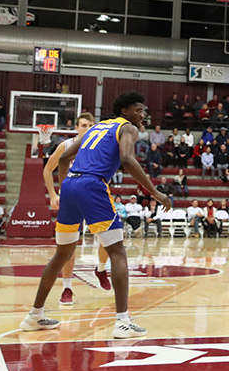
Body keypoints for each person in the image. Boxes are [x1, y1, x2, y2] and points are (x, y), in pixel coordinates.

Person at [19, 92, 171, 339]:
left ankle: (34, 315)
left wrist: (66, 188)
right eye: (138, 109)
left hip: (70, 185)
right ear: (124, 111)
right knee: (117, 252)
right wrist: (154, 192)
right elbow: (127, 159)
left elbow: (65, 158)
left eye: (143, 110)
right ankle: (123, 322)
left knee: (62, 255)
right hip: (92, 185)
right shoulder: (128, 128)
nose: (142, 114)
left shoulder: (96, 128)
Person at [41, 112, 112, 305]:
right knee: (68, 246)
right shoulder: (65, 146)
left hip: (93, 196)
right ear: (76, 128)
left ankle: (101, 268)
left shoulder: (99, 147)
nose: (87, 129)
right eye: (83, 125)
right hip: (70, 198)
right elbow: (48, 169)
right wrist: (53, 194)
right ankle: (67, 287)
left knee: (109, 238)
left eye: (90, 125)